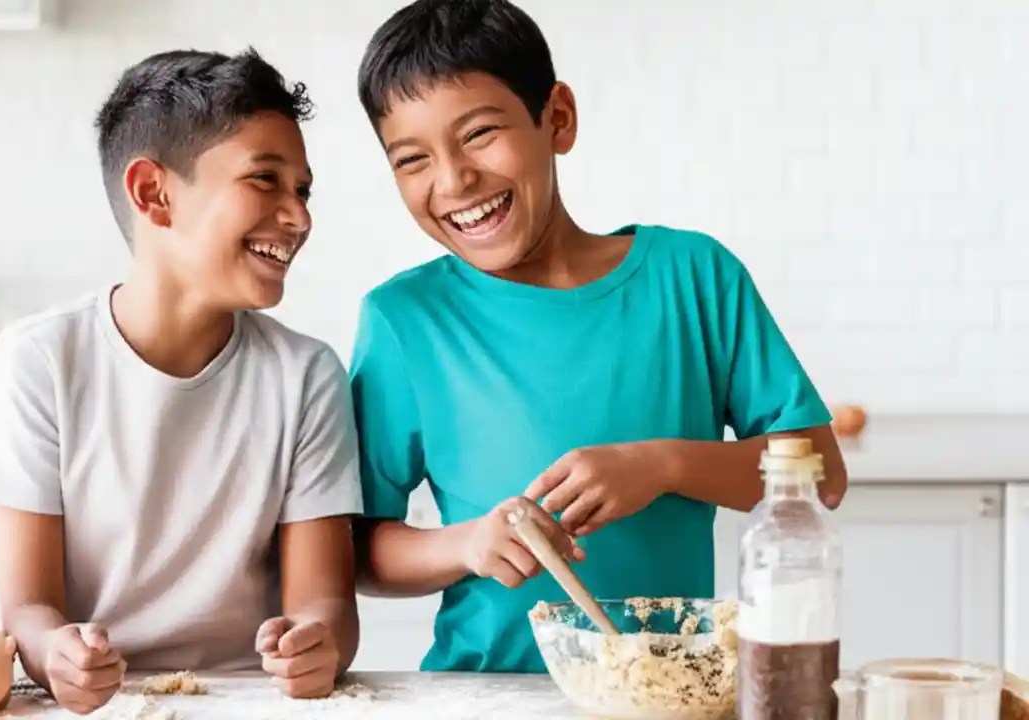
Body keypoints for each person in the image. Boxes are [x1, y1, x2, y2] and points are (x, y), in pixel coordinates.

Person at [349, 0, 848, 673]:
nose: (453, 179)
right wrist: (465, 544)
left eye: (478, 134)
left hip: (670, 691)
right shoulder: (403, 319)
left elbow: (820, 474)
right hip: (488, 699)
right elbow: (356, 550)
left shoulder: (694, 277)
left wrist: (663, 466)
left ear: (557, 117)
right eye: (412, 160)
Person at [0, 48, 362, 712]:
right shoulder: (37, 362)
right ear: (153, 194)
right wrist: (55, 651)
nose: (299, 216)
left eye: (303, 189)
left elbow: (326, 607)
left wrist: (318, 642)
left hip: (252, 702)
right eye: (265, 180)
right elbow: (28, 607)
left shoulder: (306, 376)